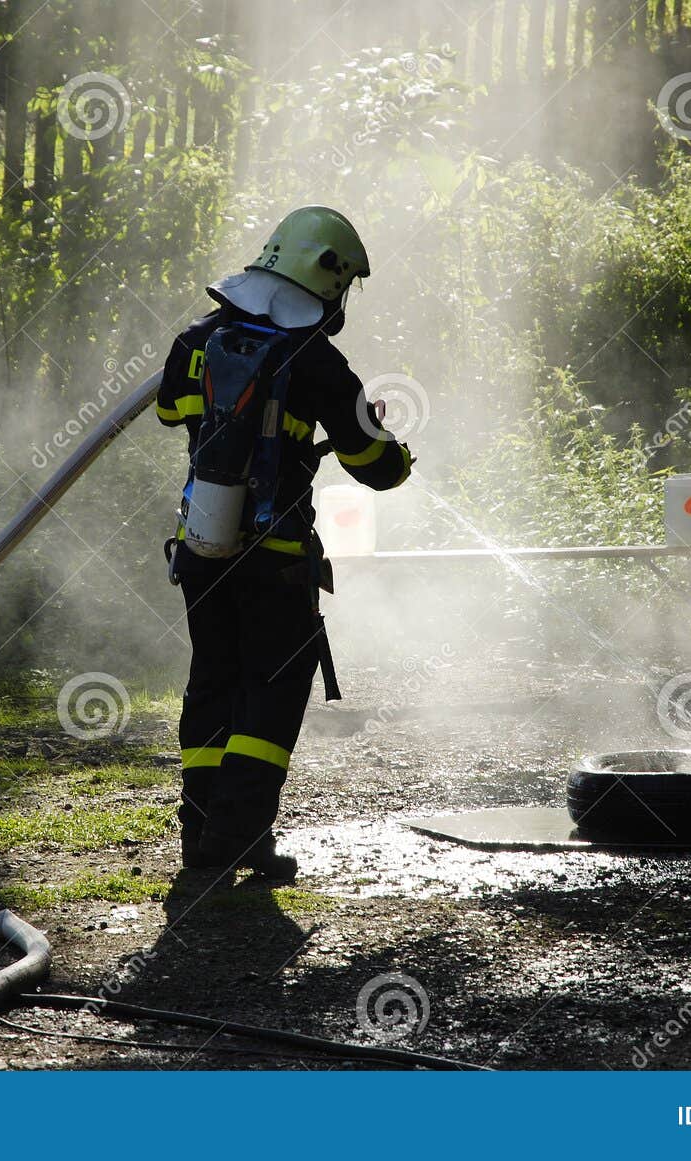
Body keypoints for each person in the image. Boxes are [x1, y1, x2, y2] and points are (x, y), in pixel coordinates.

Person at [158, 205, 413, 881]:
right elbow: (376, 468)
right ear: (329, 281)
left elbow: (166, 411)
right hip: (274, 559)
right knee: (270, 692)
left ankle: (200, 837)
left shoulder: (197, 338)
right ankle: (238, 842)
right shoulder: (320, 362)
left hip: (201, 549)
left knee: (212, 682)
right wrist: (392, 448)